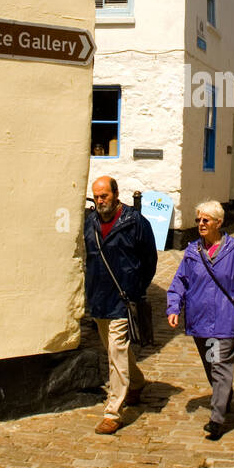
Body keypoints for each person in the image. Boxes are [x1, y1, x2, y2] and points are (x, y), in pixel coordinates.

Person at [166, 201, 234, 440]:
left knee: (221, 366)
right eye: (198, 220)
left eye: (205, 220)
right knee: (211, 365)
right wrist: (173, 307)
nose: (200, 224)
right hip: (199, 320)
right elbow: (180, 282)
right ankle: (223, 395)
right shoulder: (192, 252)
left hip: (224, 319)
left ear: (219, 223)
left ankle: (217, 419)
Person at [84, 176, 157, 435]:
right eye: (96, 196)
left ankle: (113, 411)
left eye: (104, 196)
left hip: (123, 299)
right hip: (98, 298)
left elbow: (149, 260)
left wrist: (136, 290)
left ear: (116, 195)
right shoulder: (90, 222)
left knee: (115, 352)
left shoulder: (134, 222)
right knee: (114, 348)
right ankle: (136, 382)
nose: (100, 201)